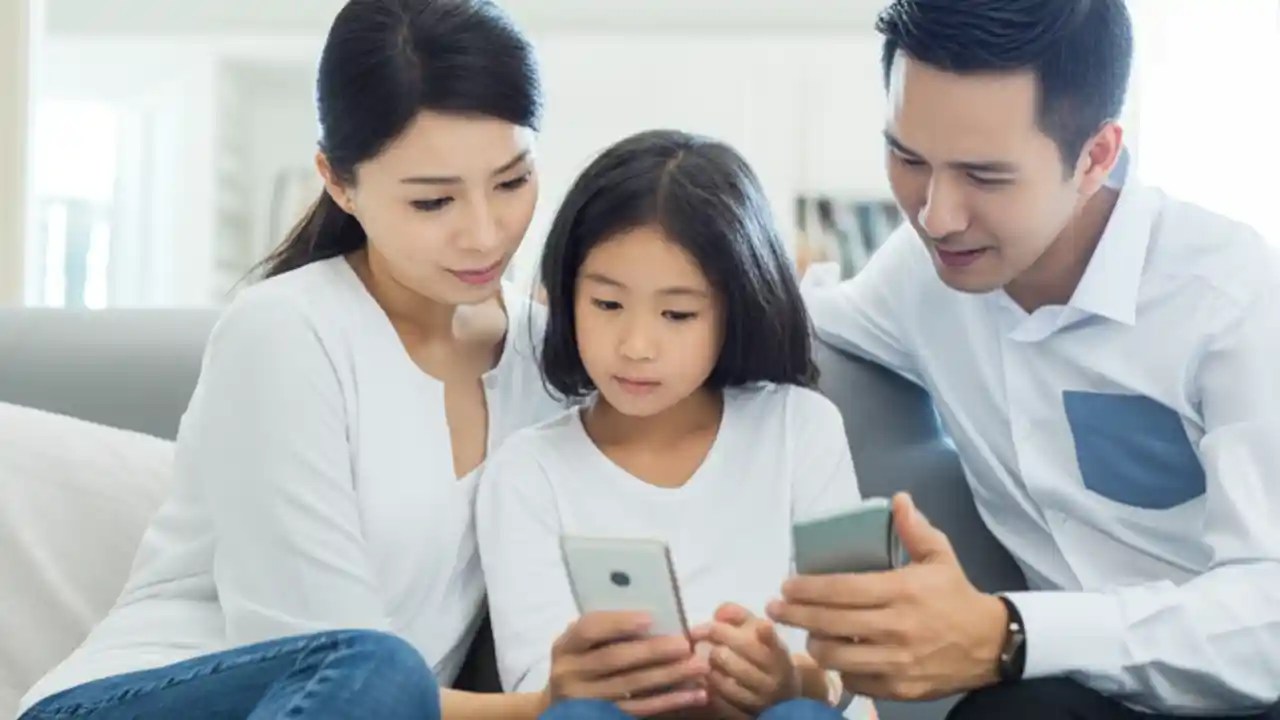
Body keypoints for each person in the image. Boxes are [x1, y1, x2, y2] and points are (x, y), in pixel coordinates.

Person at [18, 1, 570, 718]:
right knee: (375, 666)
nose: (484, 234)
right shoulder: (283, 332)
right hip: (139, 702)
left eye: (510, 182)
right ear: (338, 182)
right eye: (433, 202)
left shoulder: (553, 359)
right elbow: (323, 649)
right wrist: (549, 708)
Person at [773, 0, 1280, 718]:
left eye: (985, 176)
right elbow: (793, 315)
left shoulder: (1231, 298)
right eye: (908, 158)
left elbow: (1270, 618)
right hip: (1076, 696)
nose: (936, 216)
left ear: (1096, 157)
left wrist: (1012, 632)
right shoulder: (924, 277)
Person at [474, 130, 875, 720]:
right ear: (566, 295)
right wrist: (582, 681)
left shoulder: (799, 427)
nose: (636, 346)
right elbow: (537, 684)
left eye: (678, 314)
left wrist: (792, 681)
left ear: (736, 306)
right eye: (607, 305)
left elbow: (854, 664)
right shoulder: (528, 471)